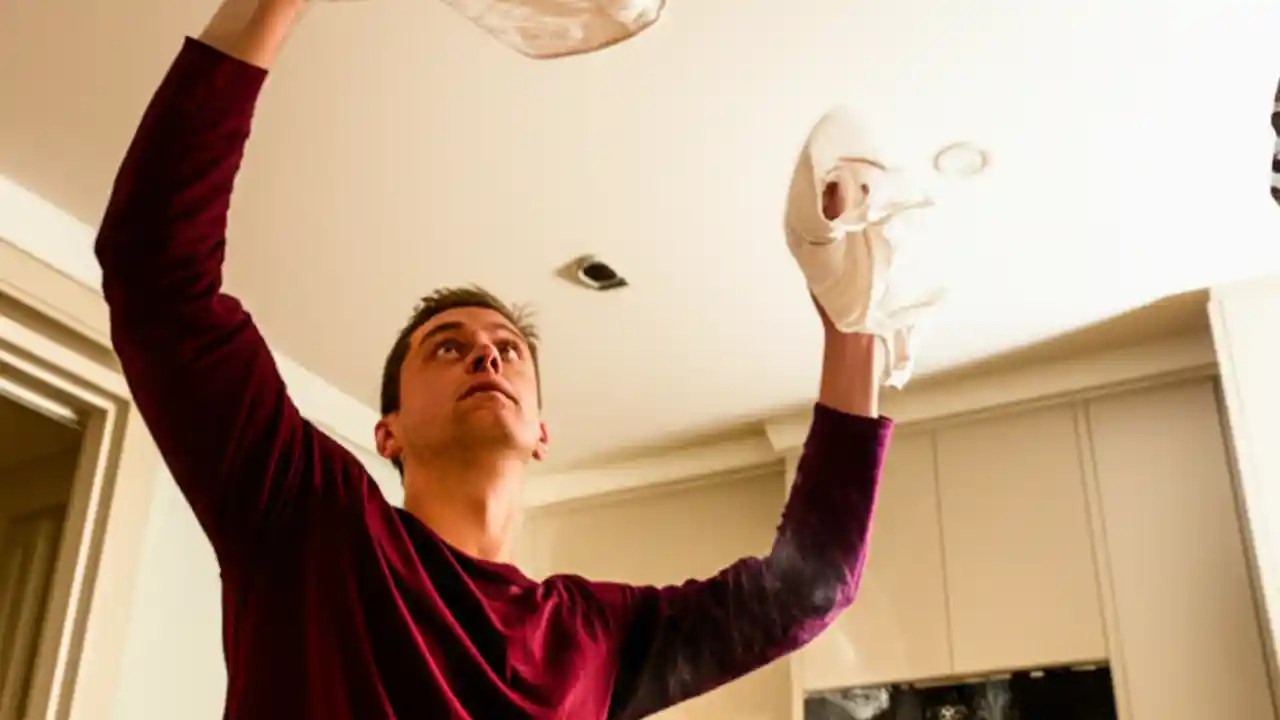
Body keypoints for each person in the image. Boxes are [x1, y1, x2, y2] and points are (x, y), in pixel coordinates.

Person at [93, 0, 894, 717]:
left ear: (543, 431)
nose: (485, 354)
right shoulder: (312, 526)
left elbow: (808, 587)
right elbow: (156, 276)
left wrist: (850, 321)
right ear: (389, 433)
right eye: (448, 347)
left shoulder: (596, 638)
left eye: (508, 349)